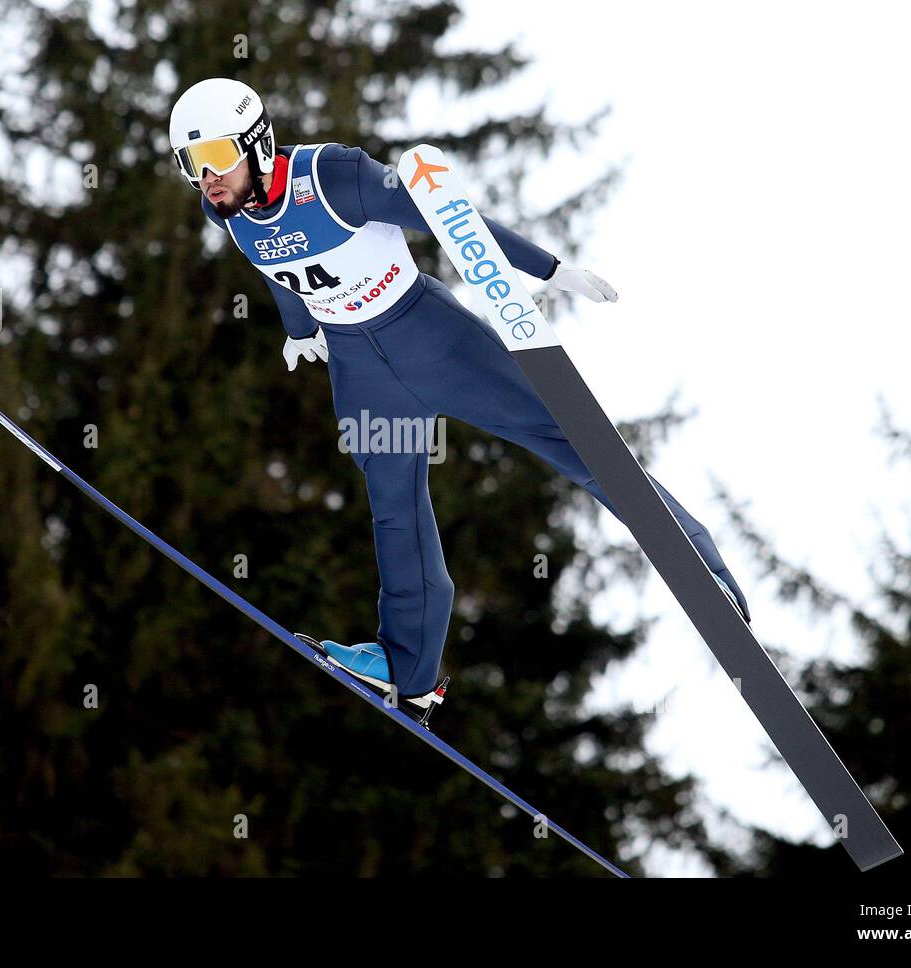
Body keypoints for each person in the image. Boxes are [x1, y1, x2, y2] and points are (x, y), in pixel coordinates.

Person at [170, 77, 750, 711]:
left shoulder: (334, 178)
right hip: (362, 374)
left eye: (216, 159)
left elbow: (453, 221)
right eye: (192, 166)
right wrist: (301, 329)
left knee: (565, 434)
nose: (207, 179)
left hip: (431, 339)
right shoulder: (226, 209)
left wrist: (549, 270)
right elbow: (274, 264)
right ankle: (408, 670)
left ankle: (701, 570)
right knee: (396, 513)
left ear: (256, 143)